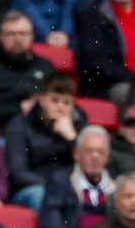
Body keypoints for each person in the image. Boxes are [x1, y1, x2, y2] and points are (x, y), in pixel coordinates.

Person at [5, 75, 88, 212]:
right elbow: (18, 171)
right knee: (44, 196)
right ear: (42, 100)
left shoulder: (78, 127)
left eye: (67, 103)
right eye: (55, 101)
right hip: (30, 189)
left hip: (69, 187)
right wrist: (54, 186)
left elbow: (90, 165)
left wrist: (72, 138)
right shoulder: (20, 125)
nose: (60, 107)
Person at [38, 127, 117, 228]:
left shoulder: (116, 188)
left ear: (107, 157)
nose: (95, 157)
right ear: (76, 154)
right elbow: (52, 224)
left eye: (100, 152)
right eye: (89, 151)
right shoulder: (60, 182)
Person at [0, 12, 56, 129]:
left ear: (32, 36)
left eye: (23, 34)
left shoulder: (45, 67)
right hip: (1, 131)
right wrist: (19, 108)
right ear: (0, 37)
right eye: (11, 34)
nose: (17, 39)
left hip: (42, 131)